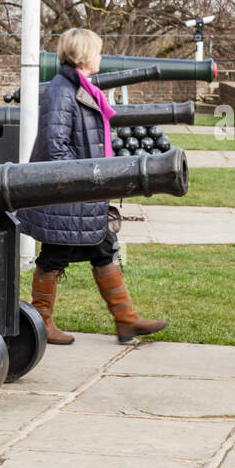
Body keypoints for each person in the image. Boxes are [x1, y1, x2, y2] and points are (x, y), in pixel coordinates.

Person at [17, 27, 167, 345]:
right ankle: (40, 321)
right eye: (97, 51)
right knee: (55, 254)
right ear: (84, 55)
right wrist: (86, 177)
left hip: (84, 190)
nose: (101, 57)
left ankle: (126, 320)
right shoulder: (61, 91)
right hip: (68, 191)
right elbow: (56, 146)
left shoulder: (81, 87)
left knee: (103, 247)